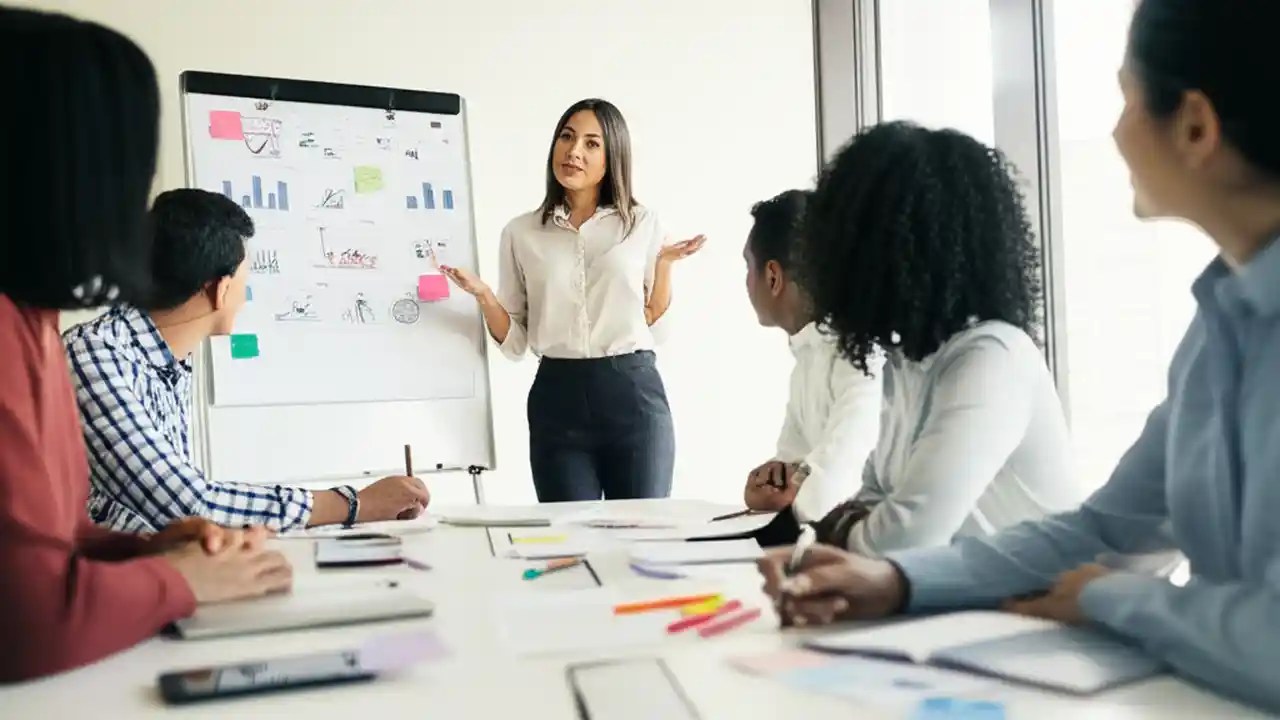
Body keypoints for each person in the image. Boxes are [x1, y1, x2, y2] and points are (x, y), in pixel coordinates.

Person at [759, 0, 1280, 711]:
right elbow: (1106, 529)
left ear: (1195, 126)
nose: (1115, 131)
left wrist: (1110, 597)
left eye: (1126, 100)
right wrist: (899, 583)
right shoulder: (1218, 326)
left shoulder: (993, 355)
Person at [0, 7, 291, 682]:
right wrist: (181, 583)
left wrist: (144, 551)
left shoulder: (36, 320)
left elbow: (44, 545)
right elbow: (23, 623)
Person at [783, 122, 1083, 558]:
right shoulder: (906, 360)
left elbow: (905, 538)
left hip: (1045, 614)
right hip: (961, 608)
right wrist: (856, 524)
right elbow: (874, 498)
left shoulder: (992, 356)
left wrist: (843, 529)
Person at [64, 189, 430, 532]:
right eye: (245, 283)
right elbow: (188, 505)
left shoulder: (168, 359)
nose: (244, 298)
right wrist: (355, 505)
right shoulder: (93, 354)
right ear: (220, 289)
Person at [442, 99, 705, 501]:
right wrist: (484, 297)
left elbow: (657, 325)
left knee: (639, 538)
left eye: (591, 143)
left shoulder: (643, 224)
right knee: (568, 541)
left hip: (632, 394)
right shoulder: (521, 232)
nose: (573, 151)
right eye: (566, 137)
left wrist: (665, 265)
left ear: (612, 156)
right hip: (557, 398)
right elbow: (515, 342)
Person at [740, 189, 880, 535]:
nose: (746, 281)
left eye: (748, 266)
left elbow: (836, 479)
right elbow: (791, 467)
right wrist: (769, 482)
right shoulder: (808, 355)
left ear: (772, 277)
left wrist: (787, 494)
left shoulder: (861, 354)